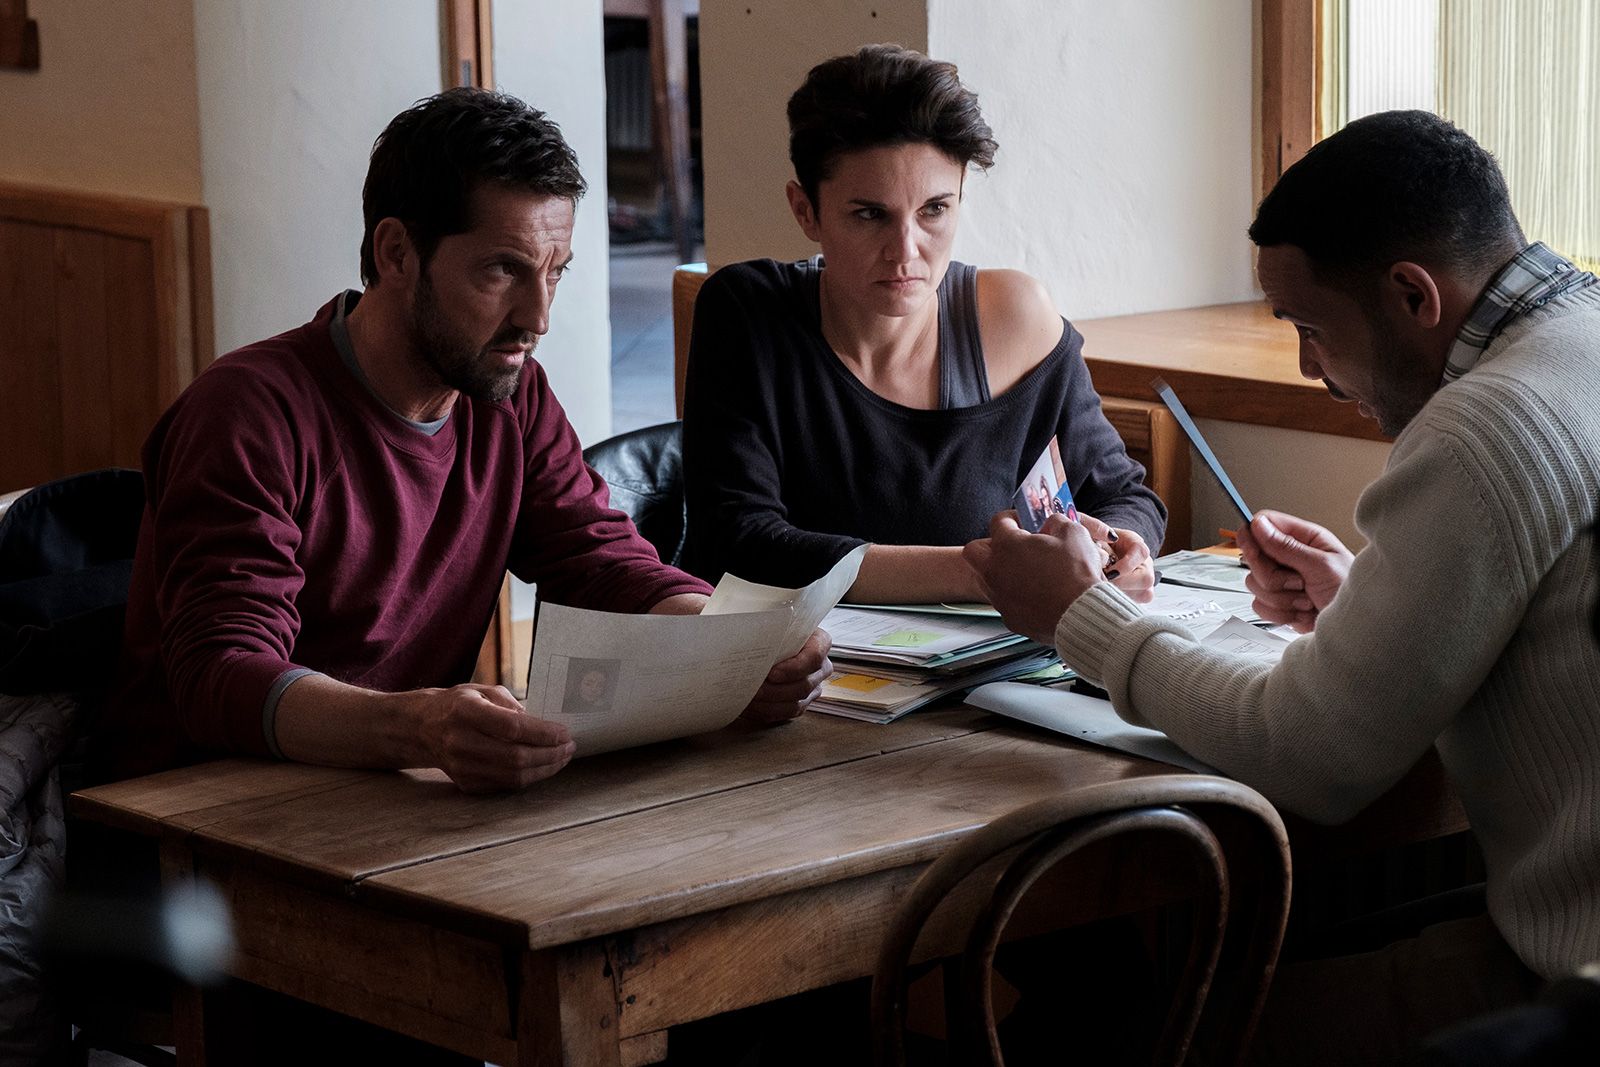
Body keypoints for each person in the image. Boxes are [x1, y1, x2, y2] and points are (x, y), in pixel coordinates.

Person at [966, 110, 1600, 1061]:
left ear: (1411, 295)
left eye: (1312, 329)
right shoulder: (1578, 339)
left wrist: (1081, 620)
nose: (1310, 370)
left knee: (1131, 1040)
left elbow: (1311, 756)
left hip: (1566, 992)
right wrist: (1364, 605)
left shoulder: (1484, 427)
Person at [93, 88, 831, 794]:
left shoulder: (508, 394)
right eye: (502, 269)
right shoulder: (249, 413)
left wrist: (732, 647)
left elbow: (597, 559)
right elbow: (221, 676)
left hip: (388, 795)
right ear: (396, 253)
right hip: (196, 823)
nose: (537, 317)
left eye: (554, 273)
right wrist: (415, 726)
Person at [682, 44, 1164, 604]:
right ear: (805, 210)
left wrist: (1123, 547)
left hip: (992, 673)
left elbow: (1123, 494)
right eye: (869, 214)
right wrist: (990, 572)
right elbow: (739, 542)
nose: (905, 251)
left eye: (934, 210)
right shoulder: (748, 313)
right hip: (802, 678)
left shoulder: (1015, 319)